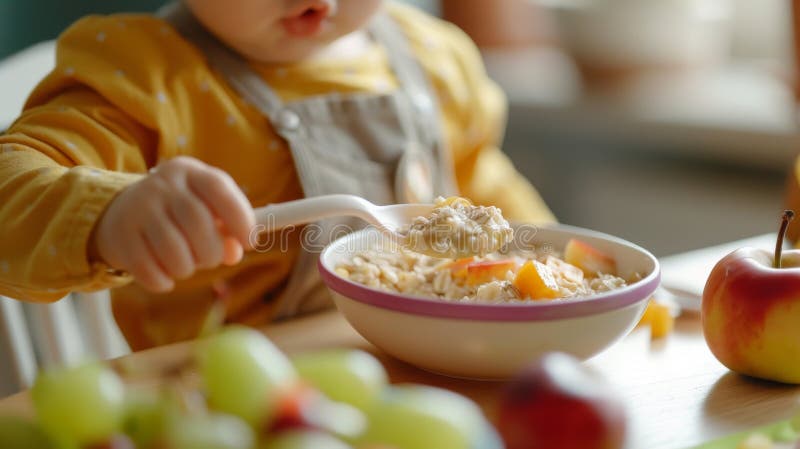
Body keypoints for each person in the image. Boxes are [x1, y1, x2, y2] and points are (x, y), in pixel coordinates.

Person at [0, 0, 555, 350]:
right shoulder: (147, 76)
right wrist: (109, 214)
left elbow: (482, 188)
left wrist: (559, 275)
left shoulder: (434, 59)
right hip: (228, 406)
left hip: (427, 378)